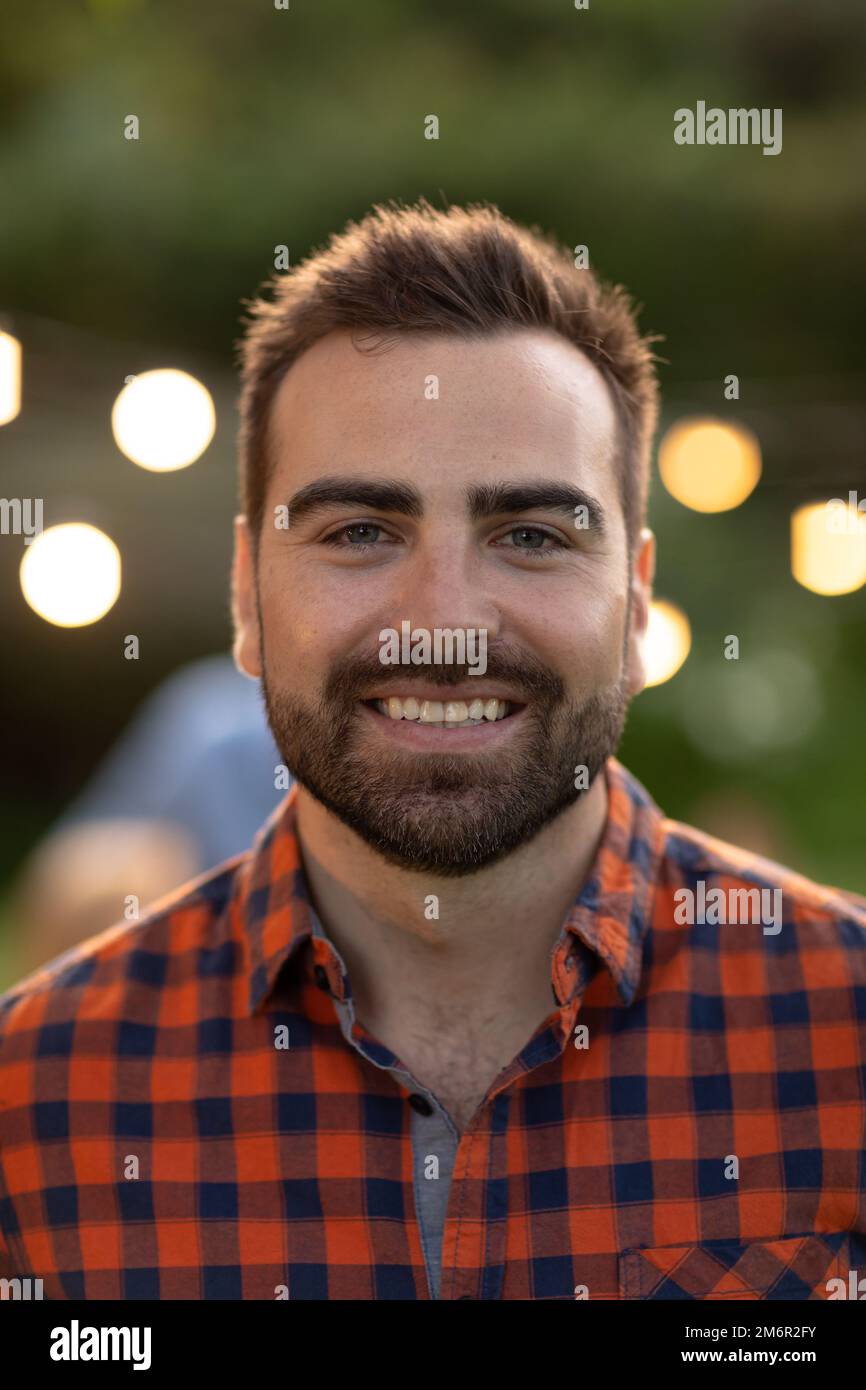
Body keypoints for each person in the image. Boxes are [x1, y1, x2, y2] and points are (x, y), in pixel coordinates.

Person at [1, 199, 864, 1302]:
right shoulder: (32, 1105)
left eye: (531, 535)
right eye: (360, 531)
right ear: (245, 596)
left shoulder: (844, 1033)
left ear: (638, 599)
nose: (442, 622)